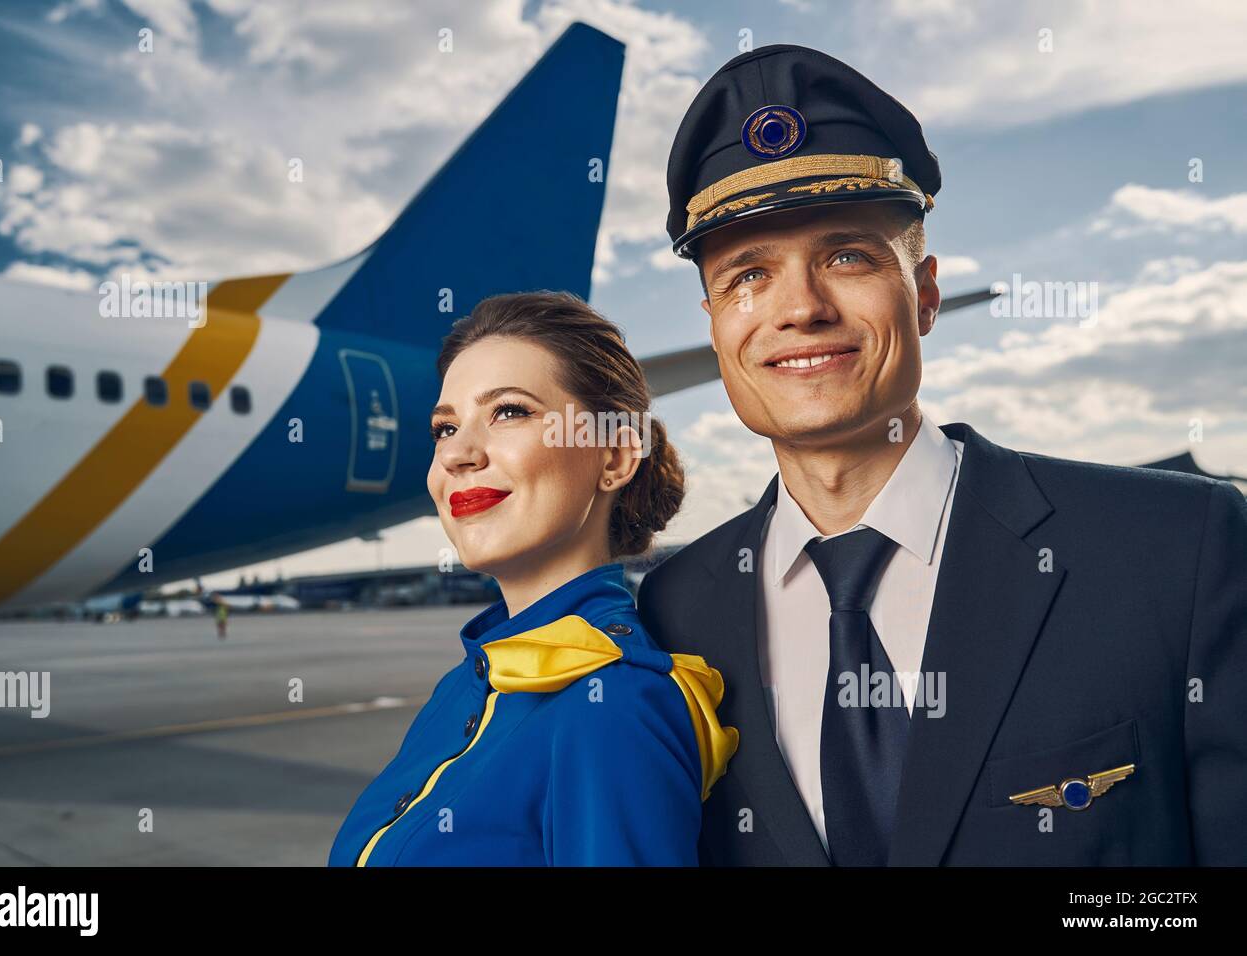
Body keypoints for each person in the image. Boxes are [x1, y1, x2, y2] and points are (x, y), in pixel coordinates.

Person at [636, 44, 1247, 866]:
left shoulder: (1176, 549)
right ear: (716, 325)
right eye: (748, 275)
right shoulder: (675, 611)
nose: (800, 308)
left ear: (924, 295)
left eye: (846, 256)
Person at [329, 291, 738, 867]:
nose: (459, 454)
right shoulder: (467, 684)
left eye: (510, 412)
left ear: (615, 457)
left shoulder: (613, 706)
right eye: (444, 428)